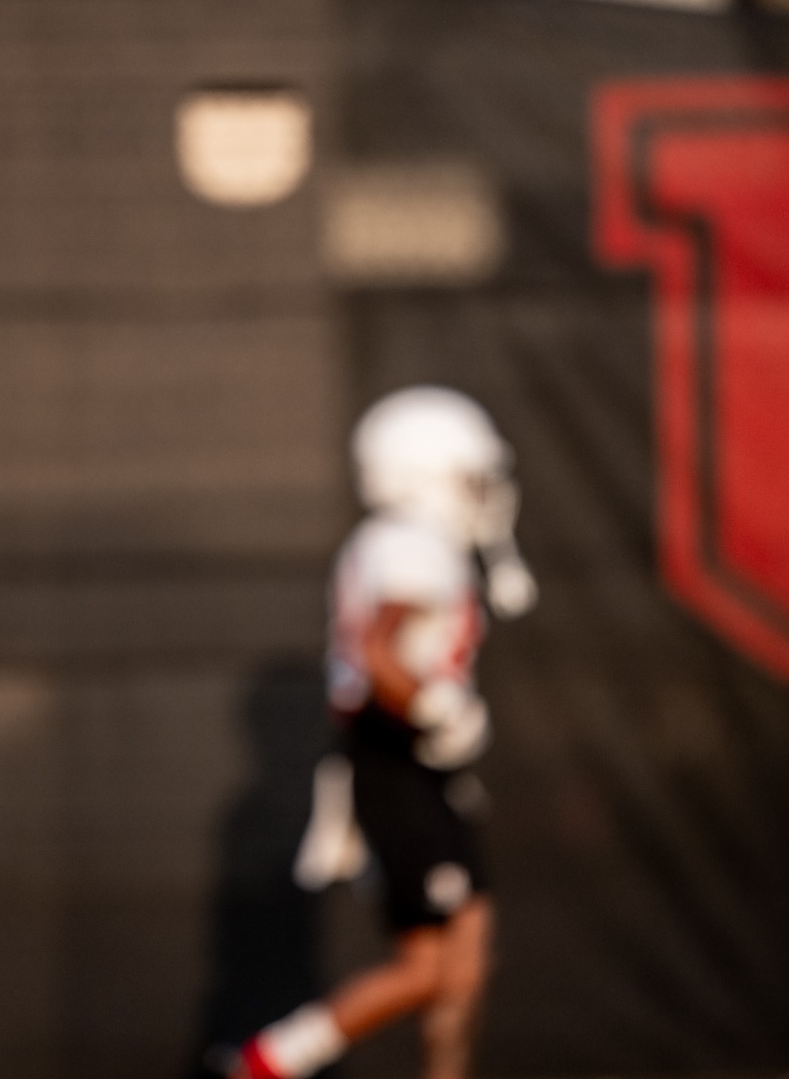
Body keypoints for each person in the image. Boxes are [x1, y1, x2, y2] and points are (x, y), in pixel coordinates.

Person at [234, 387, 536, 1079]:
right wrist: (437, 709)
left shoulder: (404, 542)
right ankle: (264, 1064)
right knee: (435, 964)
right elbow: (377, 656)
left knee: (460, 958)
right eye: (468, 474)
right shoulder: (412, 545)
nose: (481, 490)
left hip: (412, 762)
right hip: (396, 759)